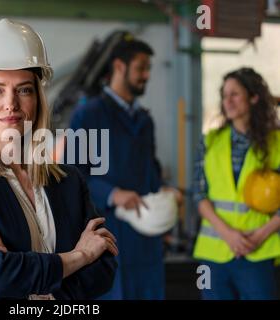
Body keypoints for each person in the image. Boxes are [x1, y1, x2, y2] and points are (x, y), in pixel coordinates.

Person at [0, 19, 117, 300]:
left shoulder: (67, 181)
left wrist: (21, 269)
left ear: (37, 101)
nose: (11, 103)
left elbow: (103, 271)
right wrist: (80, 255)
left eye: (24, 89)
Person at [69, 33, 181, 300]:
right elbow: (71, 173)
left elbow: (150, 171)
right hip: (108, 235)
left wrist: (166, 191)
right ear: (119, 66)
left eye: (148, 69)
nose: (146, 76)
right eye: (141, 68)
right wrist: (112, 194)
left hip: (146, 236)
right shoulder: (88, 114)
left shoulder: (144, 120)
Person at [193, 67, 280, 300]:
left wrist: (260, 236)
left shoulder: (277, 143)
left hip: (258, 251)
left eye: (235, 94)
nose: (227, 101)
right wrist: (229, 234)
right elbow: (199, 195)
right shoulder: (209, 141)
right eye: (224, 95)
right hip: (213, 253)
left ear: (253, 98)